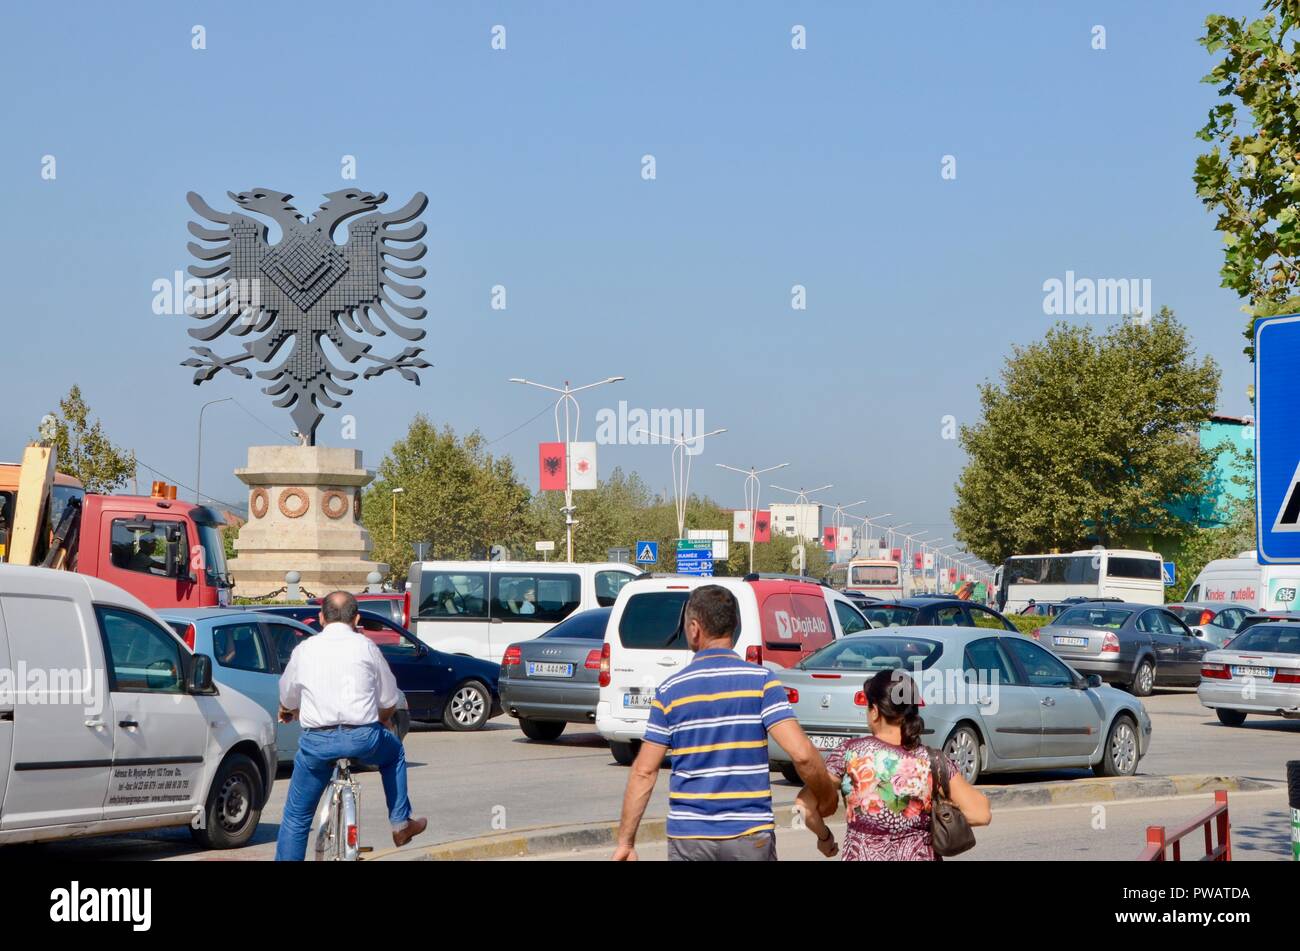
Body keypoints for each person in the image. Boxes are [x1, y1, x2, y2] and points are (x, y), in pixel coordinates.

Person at [612, 584, 838, 861]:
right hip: (749, 835)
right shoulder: (762, 682)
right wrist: (827, 796)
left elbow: (644, 771)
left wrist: (626, 841)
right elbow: (802, 755)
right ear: (734, 627)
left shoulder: (671, 690)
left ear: (695, 628)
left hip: (690, 838)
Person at [274, 590, 427, 861]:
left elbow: (287, 695)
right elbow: (390, 696)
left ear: (321, 618)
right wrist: (383, 719)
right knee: (394, 753)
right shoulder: (366, 647)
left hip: (317, 743)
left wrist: (289, 710)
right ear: (356, 619)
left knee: (296, 819)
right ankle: (400, 824)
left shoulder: (305, 650)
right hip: (364, 738)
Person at [796, 668, 990, 861]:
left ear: (875, 711)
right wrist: (922, 818)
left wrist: (825, 837)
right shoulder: (933, 761)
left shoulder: (849, 754)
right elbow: (981, 813)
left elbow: (803, 806)